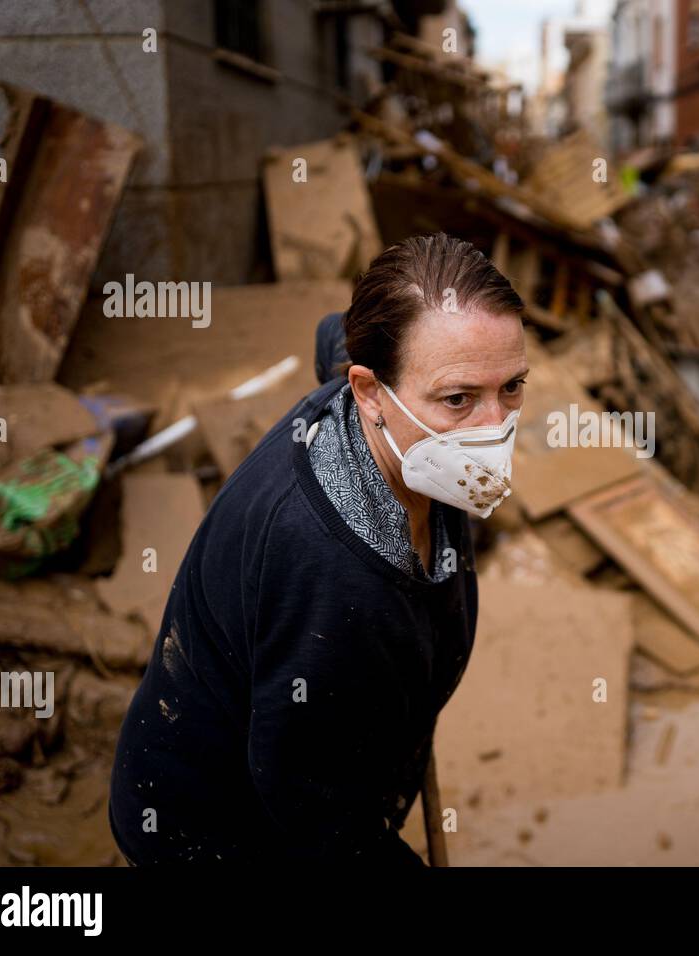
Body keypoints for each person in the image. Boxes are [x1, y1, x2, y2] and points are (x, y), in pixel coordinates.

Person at [109, 234, 529, 863]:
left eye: (513, 387)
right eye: (459, 398)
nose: (492, 428)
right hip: (218, 832)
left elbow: (333, 332)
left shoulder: (413, 438)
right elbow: (319, 813)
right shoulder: (331, 572)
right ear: (368, 392)